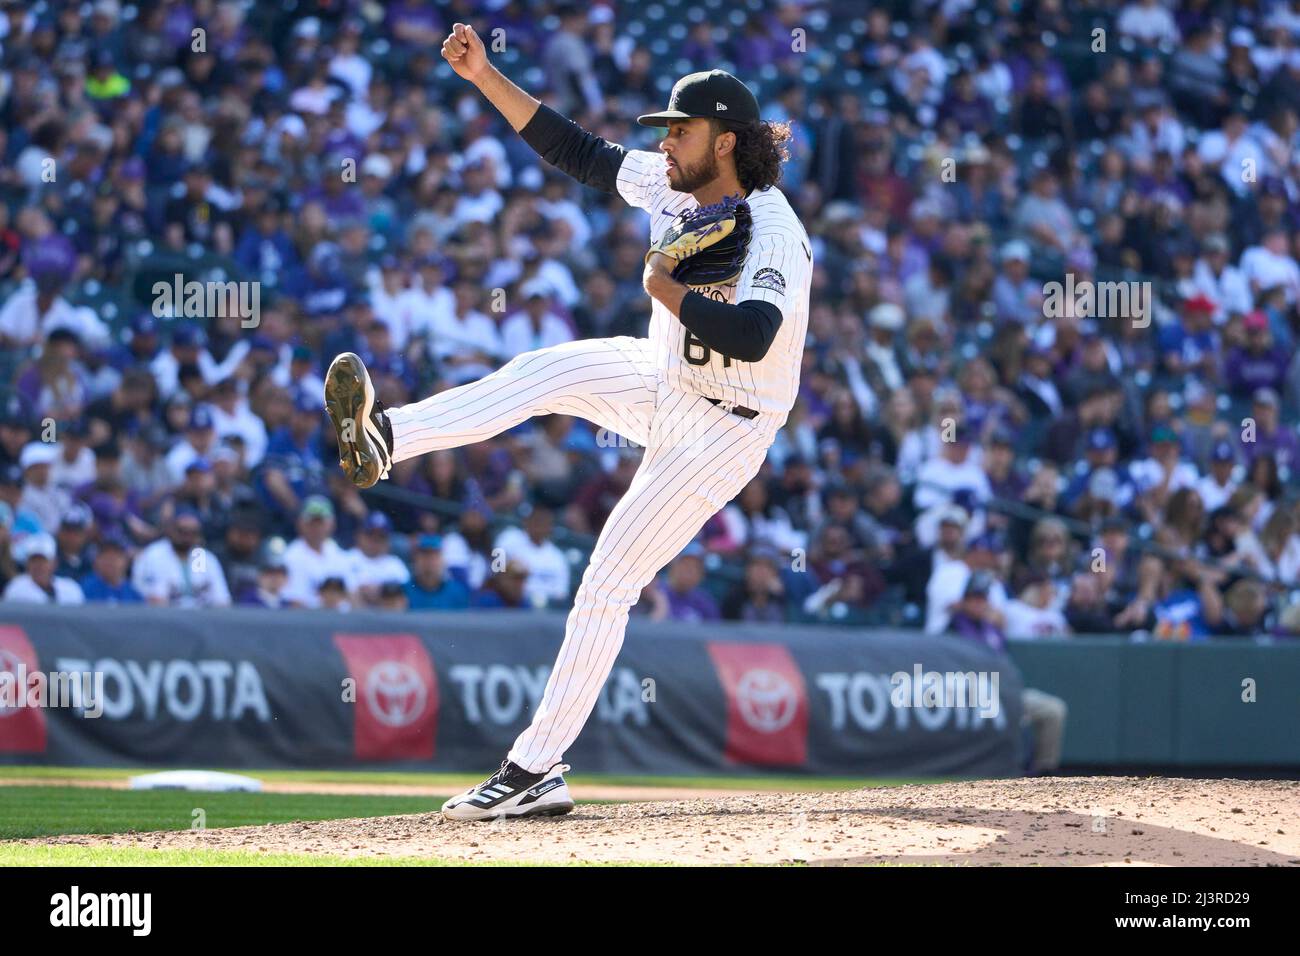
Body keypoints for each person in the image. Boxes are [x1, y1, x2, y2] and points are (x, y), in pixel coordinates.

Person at [324, 25, 811, 820]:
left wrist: (664, 285)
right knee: (539, 372)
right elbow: (577, 151)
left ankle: (536, 768)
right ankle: (387, 439)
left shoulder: (774, 229)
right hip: (667, 378)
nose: (666, 140)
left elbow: (755, 332)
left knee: (608, 582)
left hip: (728, 425)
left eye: (680, 129)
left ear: (725, 141)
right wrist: (486, 76)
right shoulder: (671, 184)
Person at [2, 532, 86, 604]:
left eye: (43, 560)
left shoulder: (71, 589)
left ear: (54, 563)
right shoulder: (16, 588)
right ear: (27, 563)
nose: (38, 565)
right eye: (34, 560)